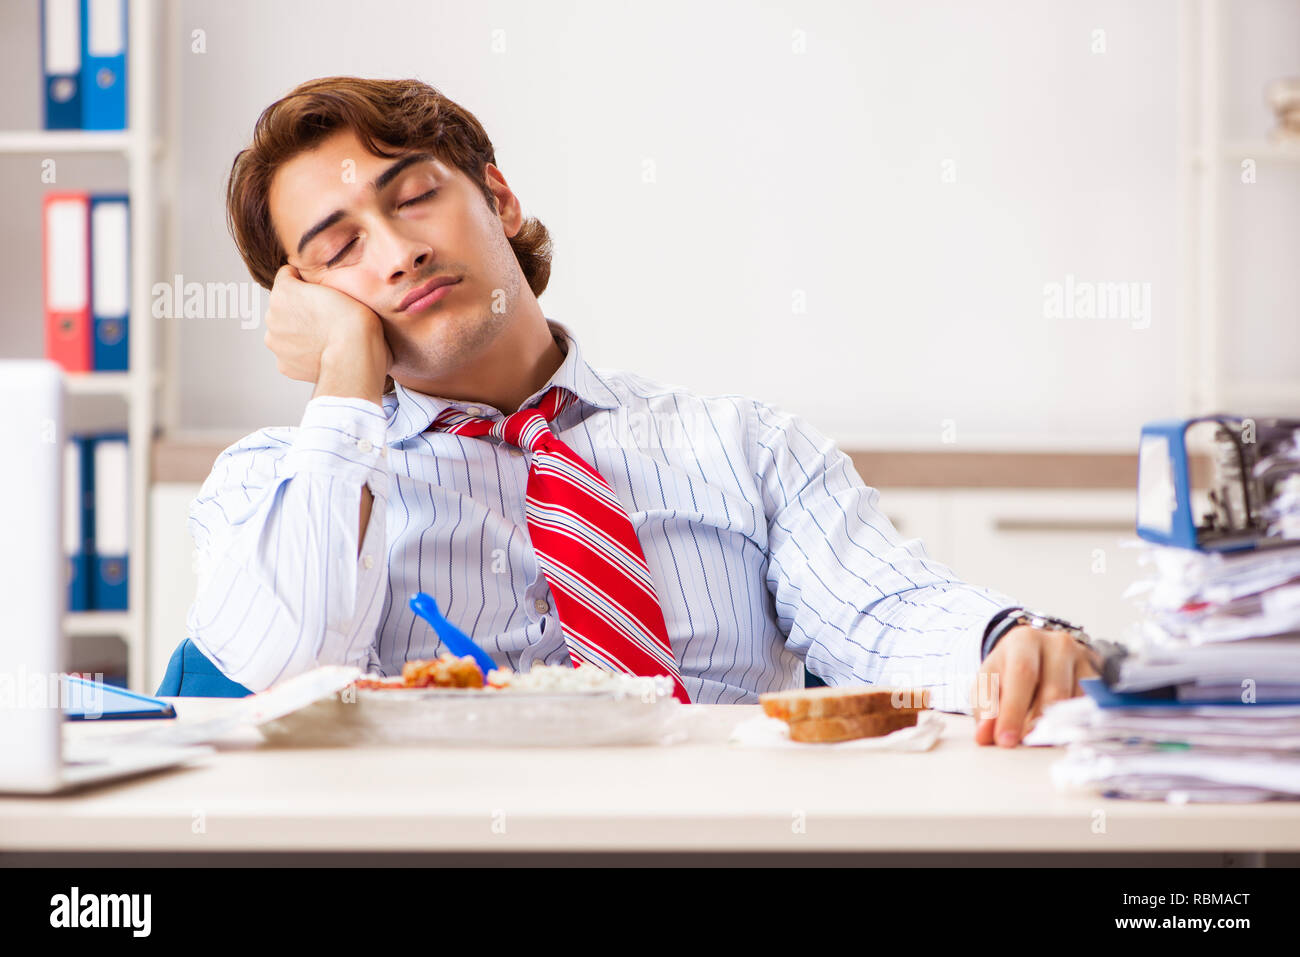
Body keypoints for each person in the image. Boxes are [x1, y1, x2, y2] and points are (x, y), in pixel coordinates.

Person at [197, 76, 1100, 744]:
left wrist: (1015, 643)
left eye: (416, 196)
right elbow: (282, 683)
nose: (397, 254)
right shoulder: (271, 484)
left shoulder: (745, 446)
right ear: (303, 301)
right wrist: (346, 373)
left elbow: (888, 615)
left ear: (499, 199)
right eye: (342, 246)